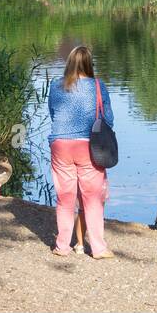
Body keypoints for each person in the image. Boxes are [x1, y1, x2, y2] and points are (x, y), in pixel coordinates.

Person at [47, 45, 114, 258]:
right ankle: (98, 249)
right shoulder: (98, 86)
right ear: (89, 64)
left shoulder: (55, 85)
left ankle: (62, 247)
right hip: (89, 147)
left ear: (69, 63)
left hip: (60, 145)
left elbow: (53, 113)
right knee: (92, 199)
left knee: (65, 198)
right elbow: (108, 120)